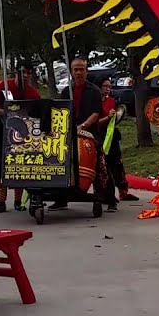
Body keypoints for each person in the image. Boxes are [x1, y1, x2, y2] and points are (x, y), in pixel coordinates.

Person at [0, 62, 40, 213]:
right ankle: (1, 201)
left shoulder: (33, 93)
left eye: (28, 73)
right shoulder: (3, 86)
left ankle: (18, 201)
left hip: (22, 133)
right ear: (15, 74)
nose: (26, 76)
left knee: (19, 164)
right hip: (2, 128)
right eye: (23, 73)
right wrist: (5, 112)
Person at [56, 57, 104, 210]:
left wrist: (82, 126)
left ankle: (104, 196)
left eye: (81, 69)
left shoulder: (94, 91)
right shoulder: (66, 91)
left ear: (86, 71)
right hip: (69, 135)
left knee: (99, 164)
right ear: (71, 72)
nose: (78, 72)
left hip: (89, 133)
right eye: (75, 69)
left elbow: (96, 113)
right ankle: (61, 197)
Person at [96, 76, 136, 211]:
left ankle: (123, 191)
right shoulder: (94, 102)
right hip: (99, 136)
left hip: (112, 136)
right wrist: (107, 118)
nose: (108, 89)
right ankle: (102, 194)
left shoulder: (112, 101)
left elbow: (116, 118)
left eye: (109, 86)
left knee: (116, 163)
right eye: (105, 86)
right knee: (102, 166)